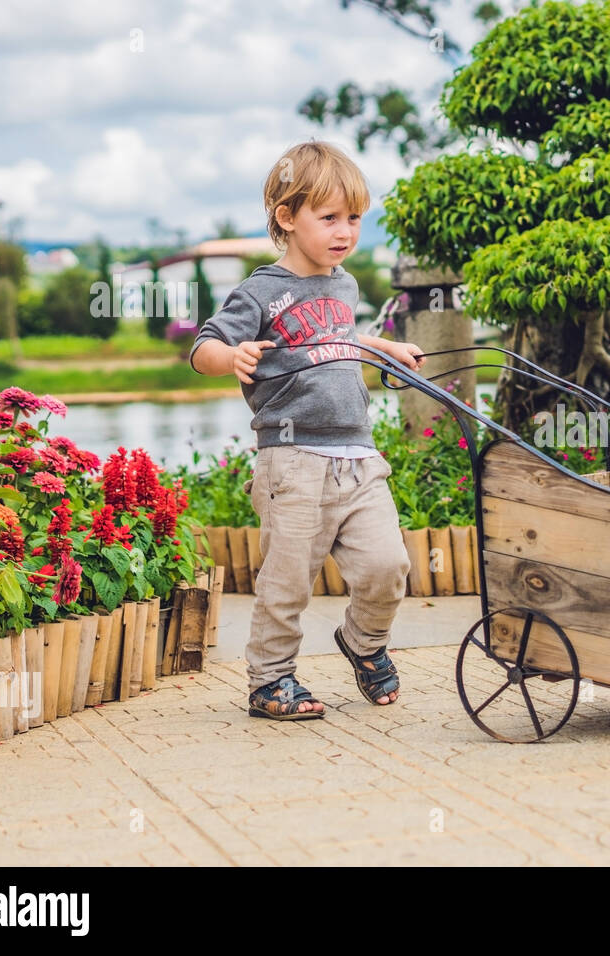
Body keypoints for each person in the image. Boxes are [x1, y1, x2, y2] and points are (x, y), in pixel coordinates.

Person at [189, 141, 424, 720]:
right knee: (287, 582)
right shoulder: (261, 290)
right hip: (292, 462)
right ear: (287, 218)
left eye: (354, 218)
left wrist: (385, 345)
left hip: (360, 460)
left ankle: (363, 644)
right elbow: (203, 345)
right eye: (329, 218)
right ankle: (270, 681)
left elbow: (339, 337)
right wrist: (232, 356)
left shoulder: (343, 285)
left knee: (388, 565)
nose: (345, 231)